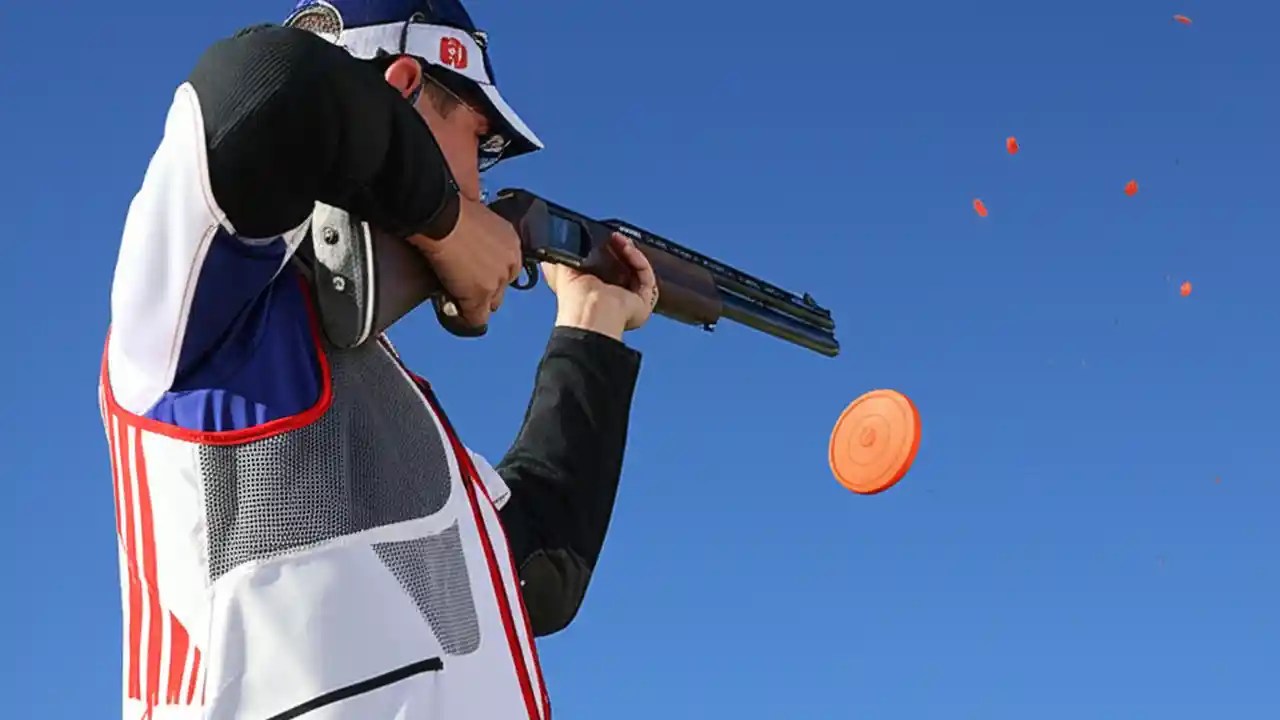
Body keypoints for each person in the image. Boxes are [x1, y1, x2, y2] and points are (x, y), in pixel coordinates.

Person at [98, 0, 657, 717]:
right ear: (399, 89)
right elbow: (270, 83)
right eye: (479, 145)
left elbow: (542, 573)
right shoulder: (203, 318)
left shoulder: (399, 417)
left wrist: (592, 326)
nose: (484, 189)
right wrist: (448, 223)